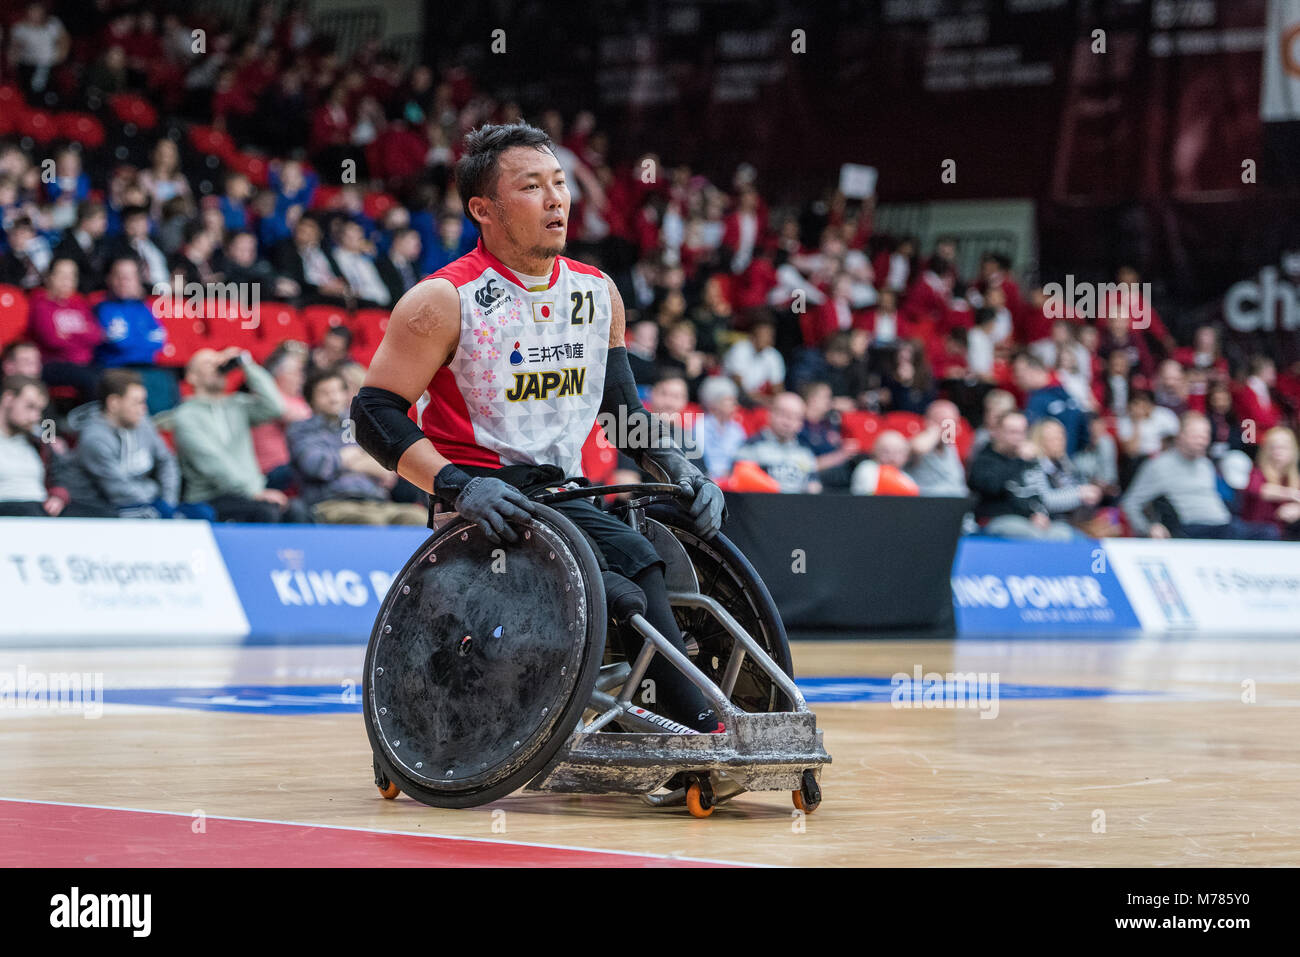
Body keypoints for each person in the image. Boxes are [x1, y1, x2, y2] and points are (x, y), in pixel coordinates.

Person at [349, 122, 727, 734]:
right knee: (620, 597)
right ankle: (695, 728)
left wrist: (681, 467)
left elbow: (620, 413)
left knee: (643, 559)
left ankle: (697, 721)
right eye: (532, 186)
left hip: (562, 495)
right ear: (484, 209)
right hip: (484, 503)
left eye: (560, 183)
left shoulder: (597, 291)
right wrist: (455, 487)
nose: (556, 199)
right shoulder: (442, 300)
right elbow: (373, 414)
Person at [171, 347, 311, 523]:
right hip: (210, 497)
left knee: (297, 510)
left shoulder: (237, 405)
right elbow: (212, 463)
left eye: (219, 361)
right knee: (267, 512)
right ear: (191, 376)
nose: (217, 365)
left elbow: (275, 407)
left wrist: (247, 365)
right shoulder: (186, 416)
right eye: (208, 363)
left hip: (249, 492)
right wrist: (253, 492)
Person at [64, 370, 212, 519]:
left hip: (147, 502)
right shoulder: (94, 439)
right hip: (106, 510)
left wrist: (168, 501)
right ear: (114, 403)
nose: (143, 409)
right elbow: (118, 490)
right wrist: (155, 497)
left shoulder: (143, 424)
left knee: (202, 513)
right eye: (137, 403)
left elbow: (166, 461)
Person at [287, 368, 424, 524]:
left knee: (417, 517)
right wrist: (359, 457)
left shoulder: (360, 425)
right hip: (331, 503)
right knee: (371, 522)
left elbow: (387, 471)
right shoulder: (302, 429)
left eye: (337, 391)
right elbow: (317, 466)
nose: (333, 398)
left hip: (376, 501)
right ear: (311, 399)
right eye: (325, 393)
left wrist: (343, 459)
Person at [1121, 412, 1280, 540]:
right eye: (1196, 436)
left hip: (1223, 525)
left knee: (1269, 531)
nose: (1202, 441)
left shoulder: (1205, 464)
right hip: (1192, 529)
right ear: (1180, 436)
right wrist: (1149, 528)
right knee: (1234, 531)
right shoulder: (1158, 466)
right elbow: (1130, 503)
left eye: (1205, 436)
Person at [968, 411, 1075, 541]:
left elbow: (1039, 494)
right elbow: (992, 487)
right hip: (996, 519)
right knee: (1032, 536)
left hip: (1031, 521)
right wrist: (1018, 460)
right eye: (1012, 432)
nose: (1018, 438)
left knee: (1064, 534)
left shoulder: (1029, 460)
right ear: (996, 432)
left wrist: (1039, 514)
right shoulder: (985, 459)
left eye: (1022, 432)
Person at [27, 258, 102, 403]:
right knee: (90, 379)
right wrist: (81, 334)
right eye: (62, 275)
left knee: (112, 378)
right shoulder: (40, 303)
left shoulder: (79, 302)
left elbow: (96, 336)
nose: (67, 281)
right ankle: (89, 421)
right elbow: (52, 340)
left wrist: (68, 335)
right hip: (52, 363)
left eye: (72, 276)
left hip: (84, 363)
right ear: (49, 277)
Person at [736, 391, 822, 493]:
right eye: (783, 415)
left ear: (801, 423)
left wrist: (813, 488)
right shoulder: (751, 446)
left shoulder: (805, 452)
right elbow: (741, 479)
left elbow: (814, 485)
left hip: (797, 506)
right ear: (770, 414)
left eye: (795, 417)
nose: (787, 422)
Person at [1236, 426, 1300, 540]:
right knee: (1270, 531)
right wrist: (1292, 494)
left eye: (1283, 447)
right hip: (1257, 534)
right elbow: (1258, 490)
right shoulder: (1257, 473)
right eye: (1273, 447)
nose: (1278, 451)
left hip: (1286, 536)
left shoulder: (1295, 479)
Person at [695, 374, 747, 481]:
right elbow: (698, 458)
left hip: (733, 481)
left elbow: (742, 458)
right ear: (713, 403)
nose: (735, 405)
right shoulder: (700, 426)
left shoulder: (737, 430)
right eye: (729, 401)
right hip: (706, 479)